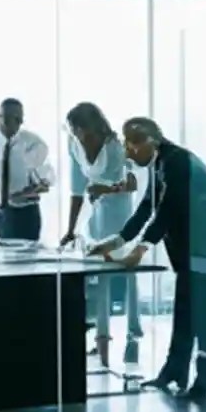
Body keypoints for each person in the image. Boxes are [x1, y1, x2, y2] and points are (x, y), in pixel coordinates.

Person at [90, 117, 206, 402]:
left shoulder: (178, 162)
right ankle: (175, 371)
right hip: (195, 249)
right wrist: (116, 241)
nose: (128, 152)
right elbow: (147, 208)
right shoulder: (162, 163)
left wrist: (140, 250)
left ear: (150, 141)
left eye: (132, 145)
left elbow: (167, 210)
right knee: (185, 308)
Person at [61, 102, 138, 365]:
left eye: (78, 128)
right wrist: (70, 230)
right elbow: (76, 190)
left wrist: (107, 190)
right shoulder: (74, 148)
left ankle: (133, 334)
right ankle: (100, 338)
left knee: (123, 276)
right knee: (96, 276)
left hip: (118, 214)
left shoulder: (114, 148)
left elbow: (131, 185)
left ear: (91, 125)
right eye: (73, 129)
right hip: (95, 217)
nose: (76, 133)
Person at [0, 98, 52, 242]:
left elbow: (46, 182)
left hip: (25, 214)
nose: (3, 122)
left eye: (10, 118)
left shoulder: (34, 144)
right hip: (1, 213)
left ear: (20, 119)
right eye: (1, 117)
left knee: (26, 261)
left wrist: (26, 193)